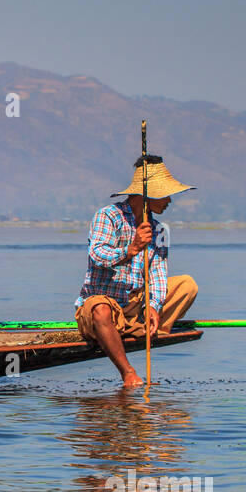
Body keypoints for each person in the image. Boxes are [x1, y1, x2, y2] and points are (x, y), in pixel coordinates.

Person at [74, 155, 199, 388]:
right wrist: (131, 249)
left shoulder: (159, 229)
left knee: (186, 285)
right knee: (100, 311)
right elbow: (97, 255)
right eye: (165, 195)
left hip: (135, 305)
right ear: (146, 195)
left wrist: (153, 305)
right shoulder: (108, 216)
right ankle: (128, 372)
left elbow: (158, 273)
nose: (170, 201)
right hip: (104, 302)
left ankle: (147, 325)